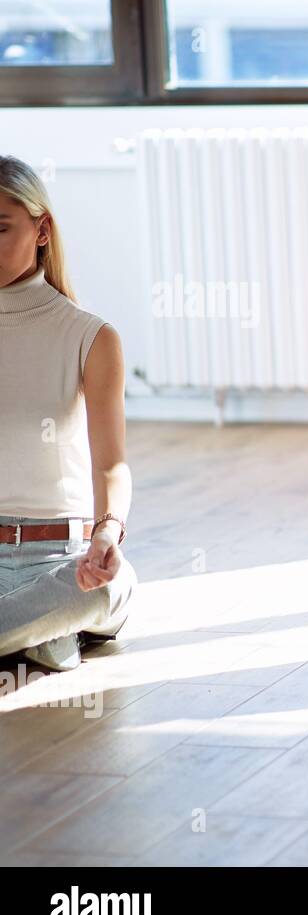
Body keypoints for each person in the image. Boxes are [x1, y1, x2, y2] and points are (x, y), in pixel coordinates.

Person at [0, 155, 135, 671]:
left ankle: (45, 626)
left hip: (65, 563)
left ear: (42, 229)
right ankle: (40, 635)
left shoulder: (90, 336)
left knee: (104, 592)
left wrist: (107, 531)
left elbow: (112, 464)